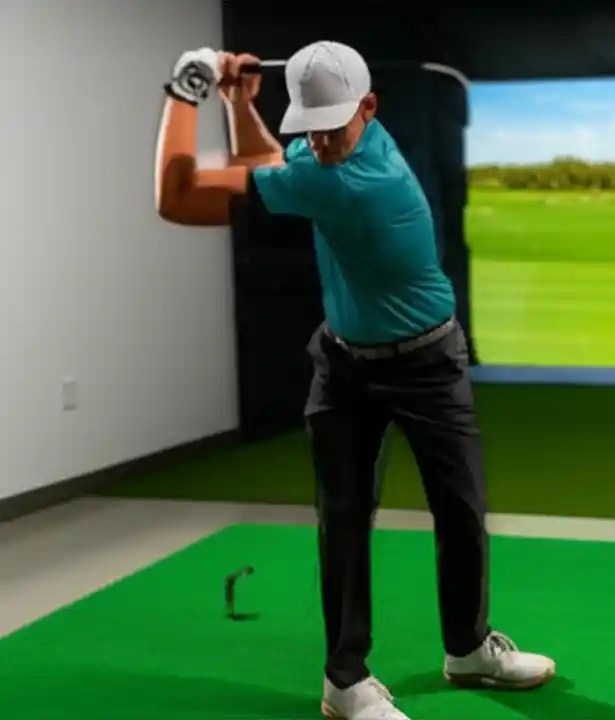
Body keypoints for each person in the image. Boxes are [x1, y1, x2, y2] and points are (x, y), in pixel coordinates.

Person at [154, 42, 556, 720]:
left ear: (369, 107)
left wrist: (182, 91)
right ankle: (345, 681)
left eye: (334, 124)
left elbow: (176, 195)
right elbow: (275, 164)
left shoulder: (351, 182)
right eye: (309, 125)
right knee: (343, 523)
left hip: (429, 363)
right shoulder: (332, 151)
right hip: (343, 367)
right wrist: (238, 103)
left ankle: (469, 649)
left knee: (461, 513)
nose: (320, 139)